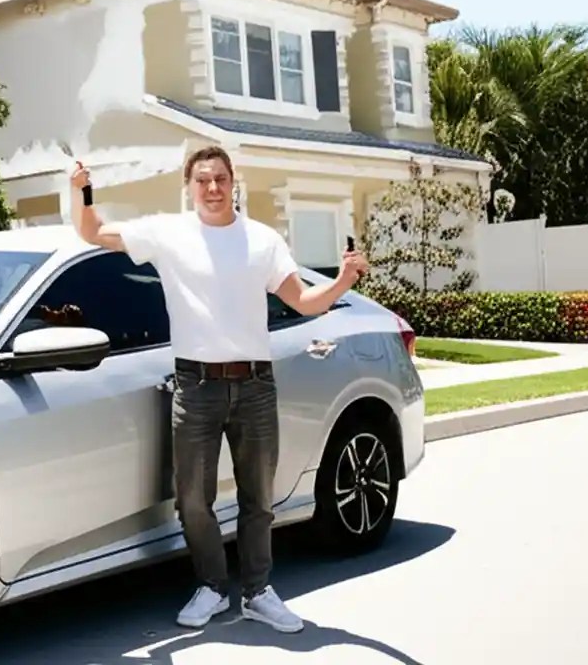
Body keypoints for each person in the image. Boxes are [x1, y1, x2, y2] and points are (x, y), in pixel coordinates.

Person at [68, 146, 368, 634]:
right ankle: (211, 585)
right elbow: (91, 231)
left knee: (259, 499)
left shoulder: (262, 240)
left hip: (254, 386)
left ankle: (257, 592)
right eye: (203, 180)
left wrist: (342, 281)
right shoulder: (167, 233)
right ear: (189, 187)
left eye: (220, 179)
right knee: (192, 499)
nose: (212, 188)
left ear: (234, 184)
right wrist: (81, 190)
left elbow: (303, 300)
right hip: (196, 386)